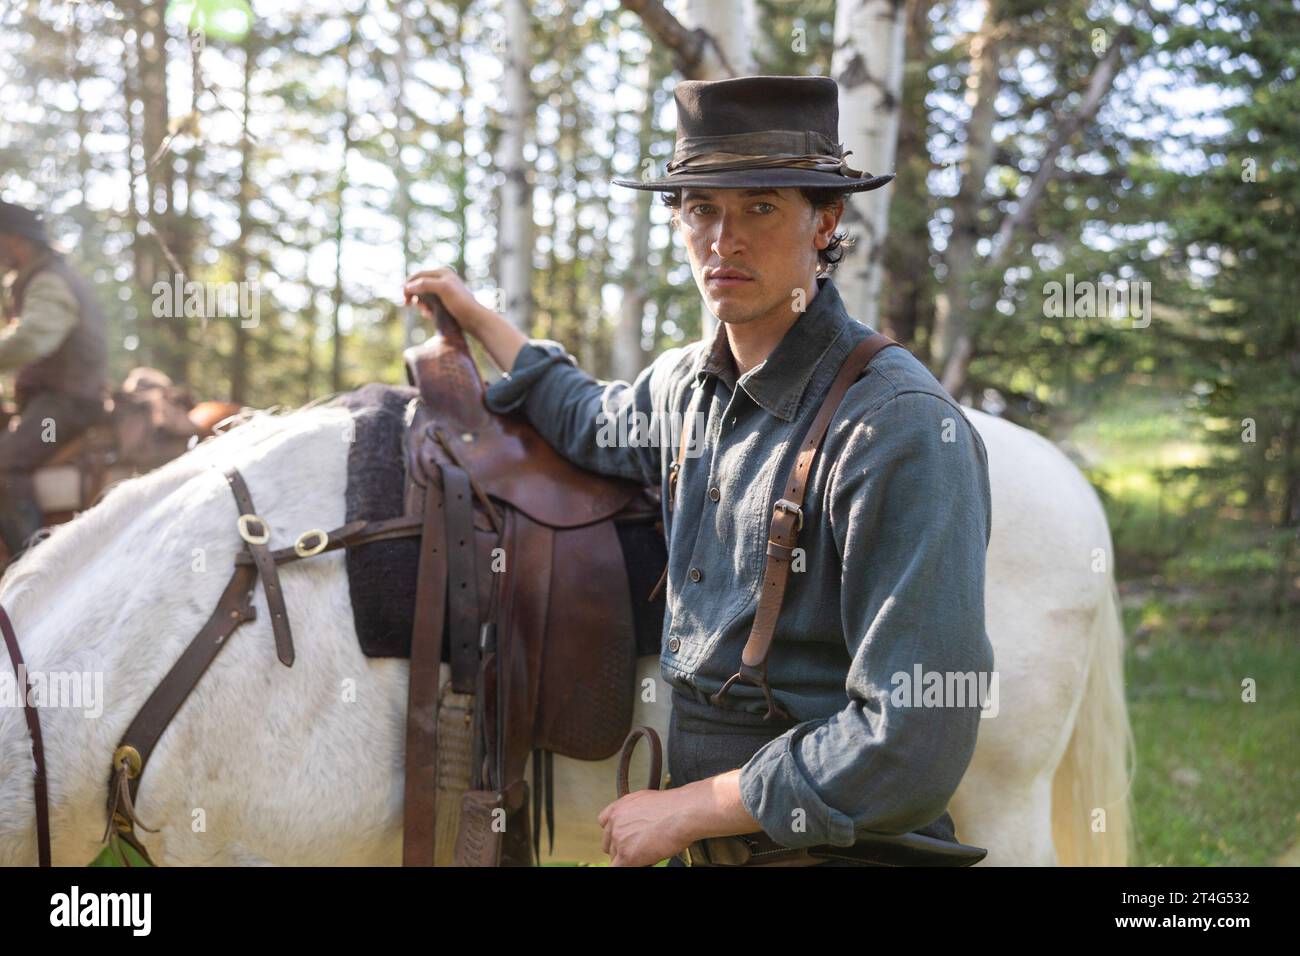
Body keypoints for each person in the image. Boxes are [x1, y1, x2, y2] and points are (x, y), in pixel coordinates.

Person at [403, 75, 995, 867]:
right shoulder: (685, 385)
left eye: (760, 208)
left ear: (826, 222)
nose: (724, 239)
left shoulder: (898, 428)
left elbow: (913, 735)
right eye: (700, 209)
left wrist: (695, 807)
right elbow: (588, 418)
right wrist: (478, 321)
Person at [0, 199, 109, 563]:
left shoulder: (48, 281)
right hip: (60, 398)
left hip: (67, 402)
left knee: (4, 467)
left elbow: (33, 339)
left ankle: (33, 570)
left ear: (15, 240)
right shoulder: (45, 276)